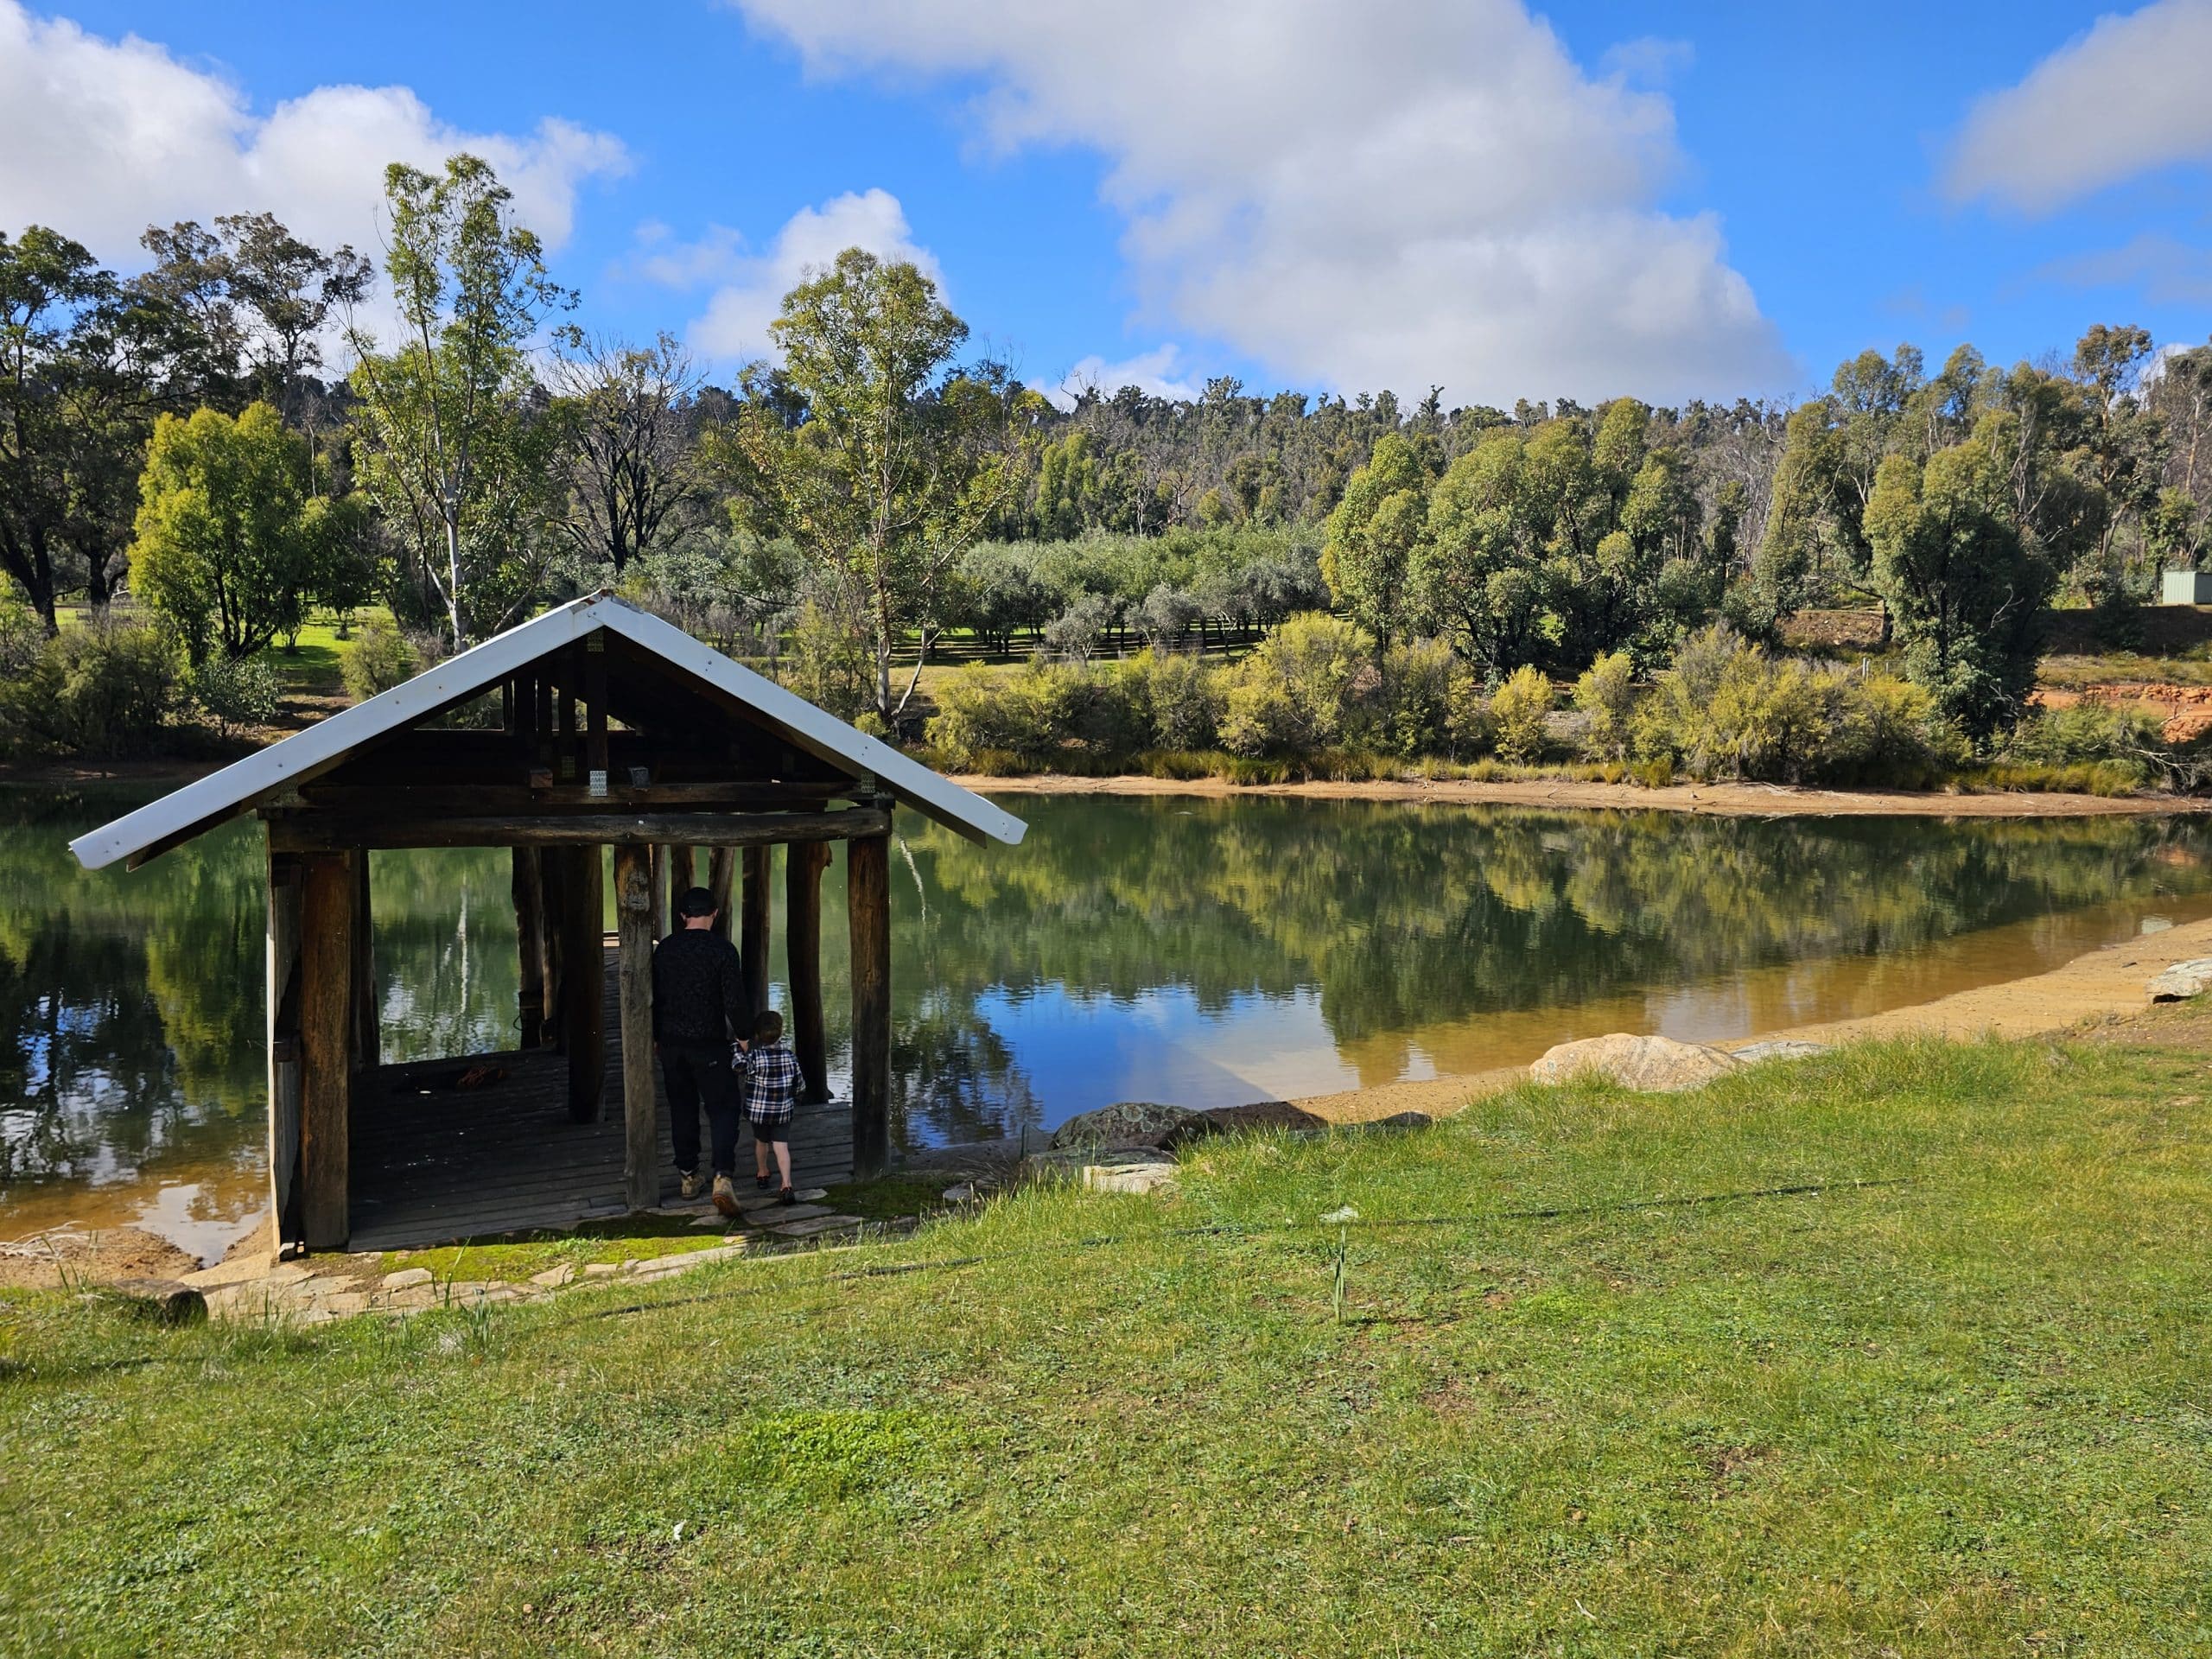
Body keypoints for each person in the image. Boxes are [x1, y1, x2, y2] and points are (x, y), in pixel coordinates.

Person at [652, 886, 747, 1216]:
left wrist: (655, 1036)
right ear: (715, 914)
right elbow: (734, 1000)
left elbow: (656, 998)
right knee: (724, 1107)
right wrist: (745, 1036)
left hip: (672, 1044)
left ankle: (689, 1176)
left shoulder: (664, 950)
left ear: (682, 916)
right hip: (710, 1044)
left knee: (682, 1108)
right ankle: (722, 1175)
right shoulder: (723, 951)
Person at [741, 1007, 802, 1204]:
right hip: (783, 1111)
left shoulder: (755, 1057)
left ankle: (763, 1172)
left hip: (759, 1112)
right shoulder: (790, 1056)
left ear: (757, 1035)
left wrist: (738, 1048)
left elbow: (738, 1067)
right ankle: (786, 1183)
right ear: (780, 1032)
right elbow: (800, 1085)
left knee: (761, 1142)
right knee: (781, 1146)